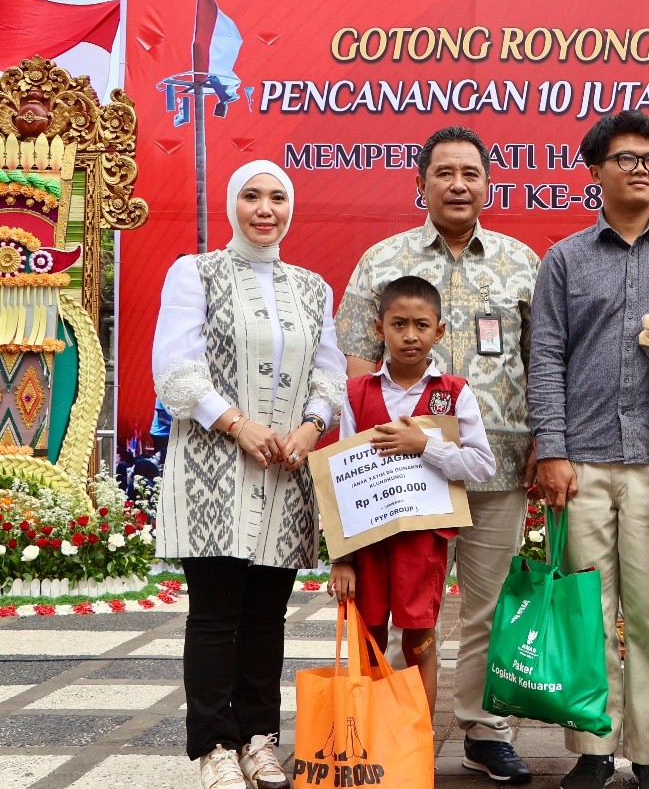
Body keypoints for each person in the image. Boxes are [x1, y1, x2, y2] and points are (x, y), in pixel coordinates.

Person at [335, 125, 538, 784]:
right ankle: (394, 728)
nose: (458, 184)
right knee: (401, 608)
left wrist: (546, 442)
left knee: (489, 602)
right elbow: (357, 368)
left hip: (494, 463)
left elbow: (543, 360)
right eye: (444, 172)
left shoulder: (521, 261)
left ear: (488, 183)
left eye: (470, 173)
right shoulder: (381, 260)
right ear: (419, 182)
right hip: (399, 477)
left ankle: (483, 727)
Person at [528, 110, 649, 789]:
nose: (640, 167)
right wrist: (550, 448)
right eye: (625, 157)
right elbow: (546, 354)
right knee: (587, 611)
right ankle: (592, 748)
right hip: (582, 459)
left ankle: (648, 751)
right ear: (595, 171)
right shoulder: (566, 259)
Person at [152, 160, 347, 789]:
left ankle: (260, 740)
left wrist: (311, 425)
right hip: (214, 467)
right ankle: (213, 744)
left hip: (285, 470)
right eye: (252, 197)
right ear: (233, 204)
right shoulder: (196, 273)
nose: (265, 210)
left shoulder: (313, 287)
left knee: (268, 615)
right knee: (213, 613)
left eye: (277, 198)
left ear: (292, 207)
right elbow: (176, 371)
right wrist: (238, 425)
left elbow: (329, 372)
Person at [328, 276, 496, 715]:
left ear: (439, 331)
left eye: (421, 325)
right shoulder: (356, 393)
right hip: (368, 545)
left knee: (420, 641)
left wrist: (426, 446)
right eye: (398, 324)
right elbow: (342, 479)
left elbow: (482, 465)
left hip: (423, 545)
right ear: (379, 327)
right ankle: (370, 740)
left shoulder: (454, 393)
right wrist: (342, 559)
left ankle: (415, 747)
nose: (409, 335)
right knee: (369, 643)